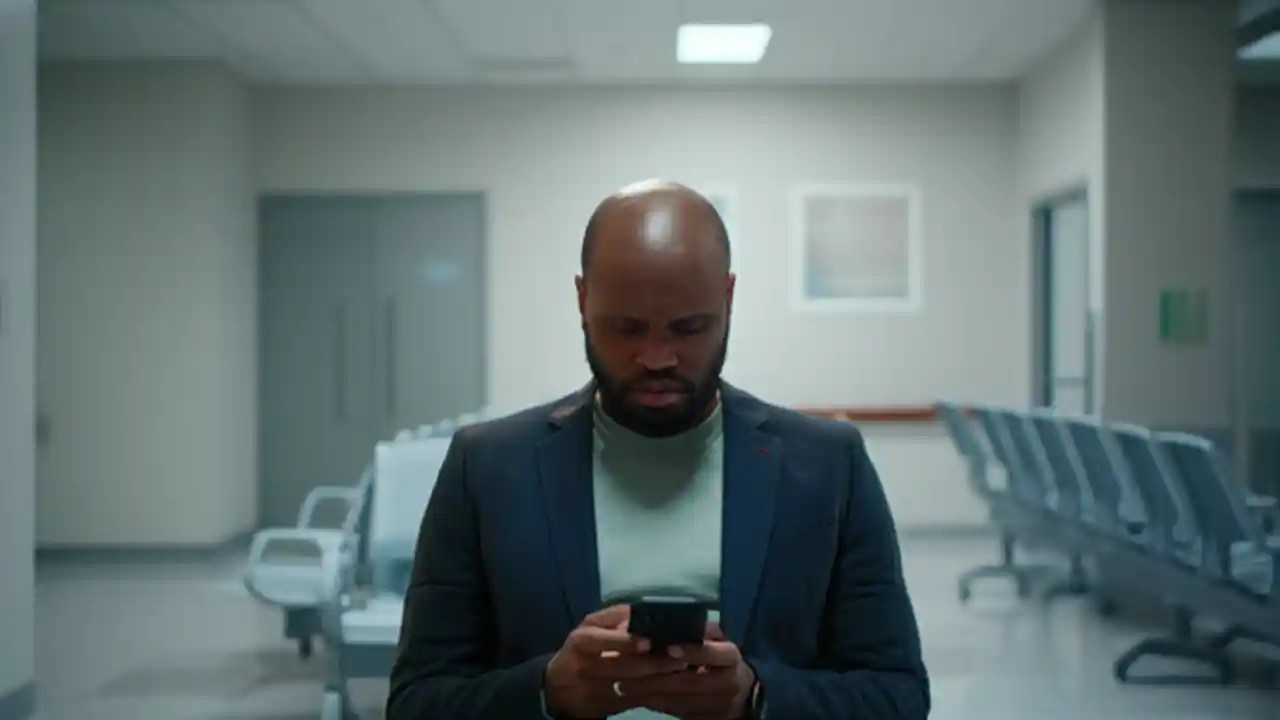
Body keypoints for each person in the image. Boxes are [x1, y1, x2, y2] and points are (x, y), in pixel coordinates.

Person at [387, 179, 929, 719]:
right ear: (582, 301)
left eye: (688, 328)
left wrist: (755, 697)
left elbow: (897, 697)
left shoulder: (828, 467)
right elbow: (416, 702)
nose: (656, 358)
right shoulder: (486, 468)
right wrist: (547, 693)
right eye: (626, 328)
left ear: (728, 298)